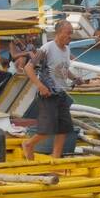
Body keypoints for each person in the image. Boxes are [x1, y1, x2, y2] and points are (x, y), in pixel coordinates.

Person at [21, 20, 82, 161]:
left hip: (61, 93)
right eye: (68, 33)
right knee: (47, 129)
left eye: (71, 33)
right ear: (59, 33)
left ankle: (55, 157)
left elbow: (63, 70)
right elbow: (28, 68)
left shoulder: (67, 50)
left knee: (64, 128)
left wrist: (74, 78)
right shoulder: (46, 49)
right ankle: (29, 144)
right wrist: (40, 86)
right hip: (48, 94)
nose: (70, 36)